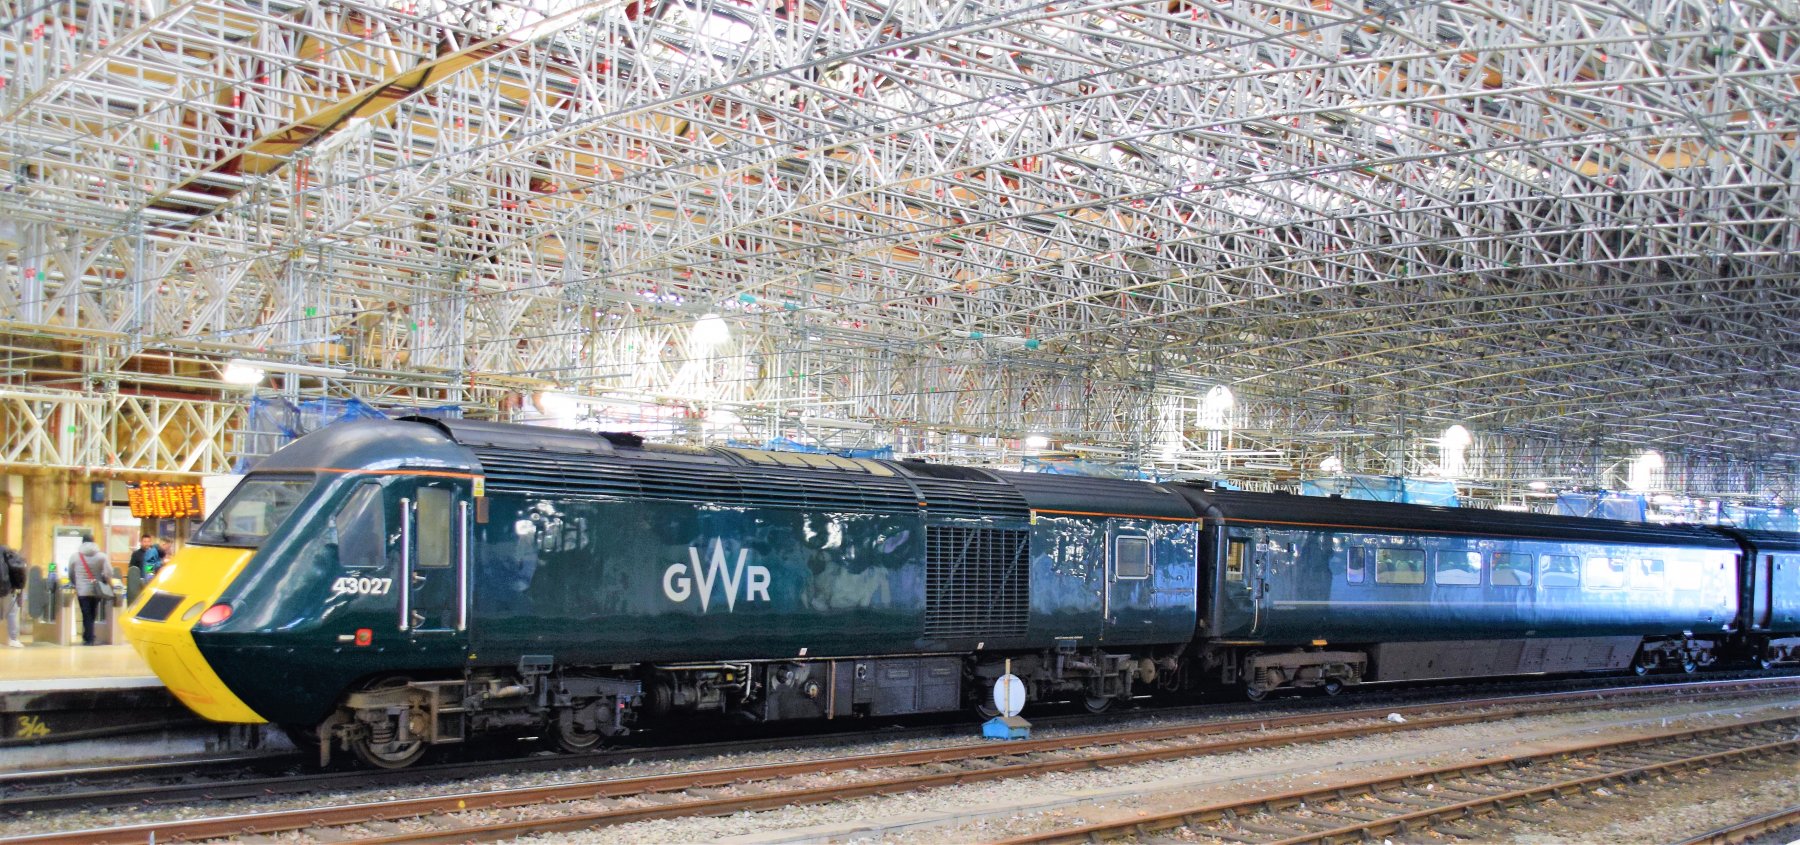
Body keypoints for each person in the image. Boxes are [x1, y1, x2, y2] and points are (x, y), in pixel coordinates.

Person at [66, 541, 115, 646]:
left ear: (82, 542)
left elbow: (70, 573)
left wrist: (76, 583)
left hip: (82, 590)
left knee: (86, 613)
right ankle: (89, 635)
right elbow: (109, 572)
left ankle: (88, 638)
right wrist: (105, 581)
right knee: (93, 613)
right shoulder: (102, 556)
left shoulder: (75, 556)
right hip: (97, 589)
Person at [0, 545, 25, 647]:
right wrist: (18, 586)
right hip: (7, 589)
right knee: (12, 613)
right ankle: (13, 639)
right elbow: (17, 569)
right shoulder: (8, 553)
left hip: (5, 588)